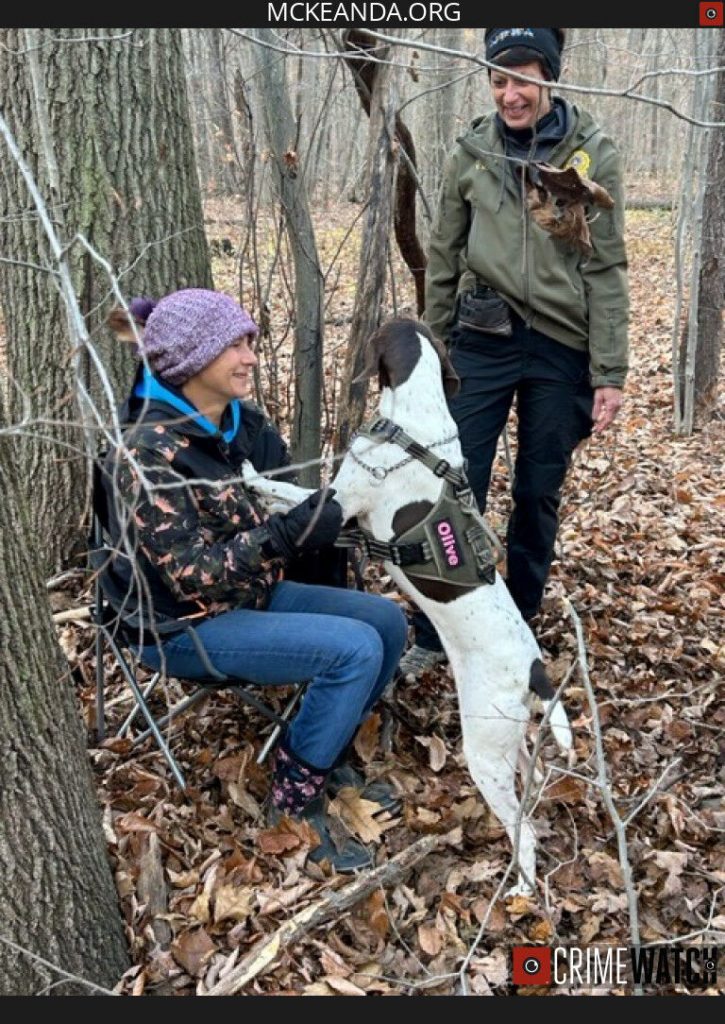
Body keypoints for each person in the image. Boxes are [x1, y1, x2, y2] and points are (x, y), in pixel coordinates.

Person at [105, 289, 407, 872]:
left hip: (249, 594)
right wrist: (287, 534)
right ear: (192, 360)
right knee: (354, 649)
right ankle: (293, 801)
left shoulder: (227, 428)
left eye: (251, 343)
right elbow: (193, 575)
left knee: (386, 621)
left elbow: (259, 513)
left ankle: (326, 750)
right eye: (234, 346)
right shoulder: (147, 451)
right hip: (177, 624)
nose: (251, 357)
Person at [400, 27, 629, 678]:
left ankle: (514, 628)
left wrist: (608, 370)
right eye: (498, 80)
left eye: (522, 79)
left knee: (535, 492)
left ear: (549, 79)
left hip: (562, 347)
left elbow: (607, 266)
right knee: (450, 485)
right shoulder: (471, 151)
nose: (509, 94)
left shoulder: (591, 152)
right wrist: (432, 350)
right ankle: (432, 630)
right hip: (483, 335)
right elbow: (443, 253)